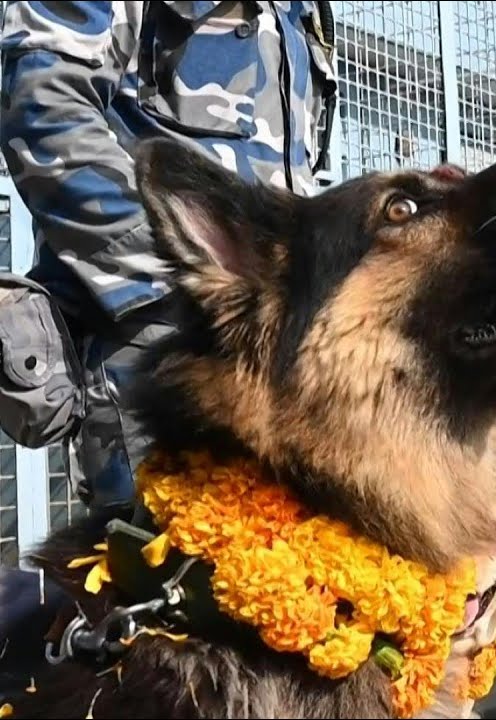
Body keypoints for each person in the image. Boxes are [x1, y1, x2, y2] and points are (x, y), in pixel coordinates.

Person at [0, 0, 337, 693]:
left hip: (280, 366)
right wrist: (182, 292)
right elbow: (43, 98)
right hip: (167, 361)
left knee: (279, 643)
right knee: (172, 655)